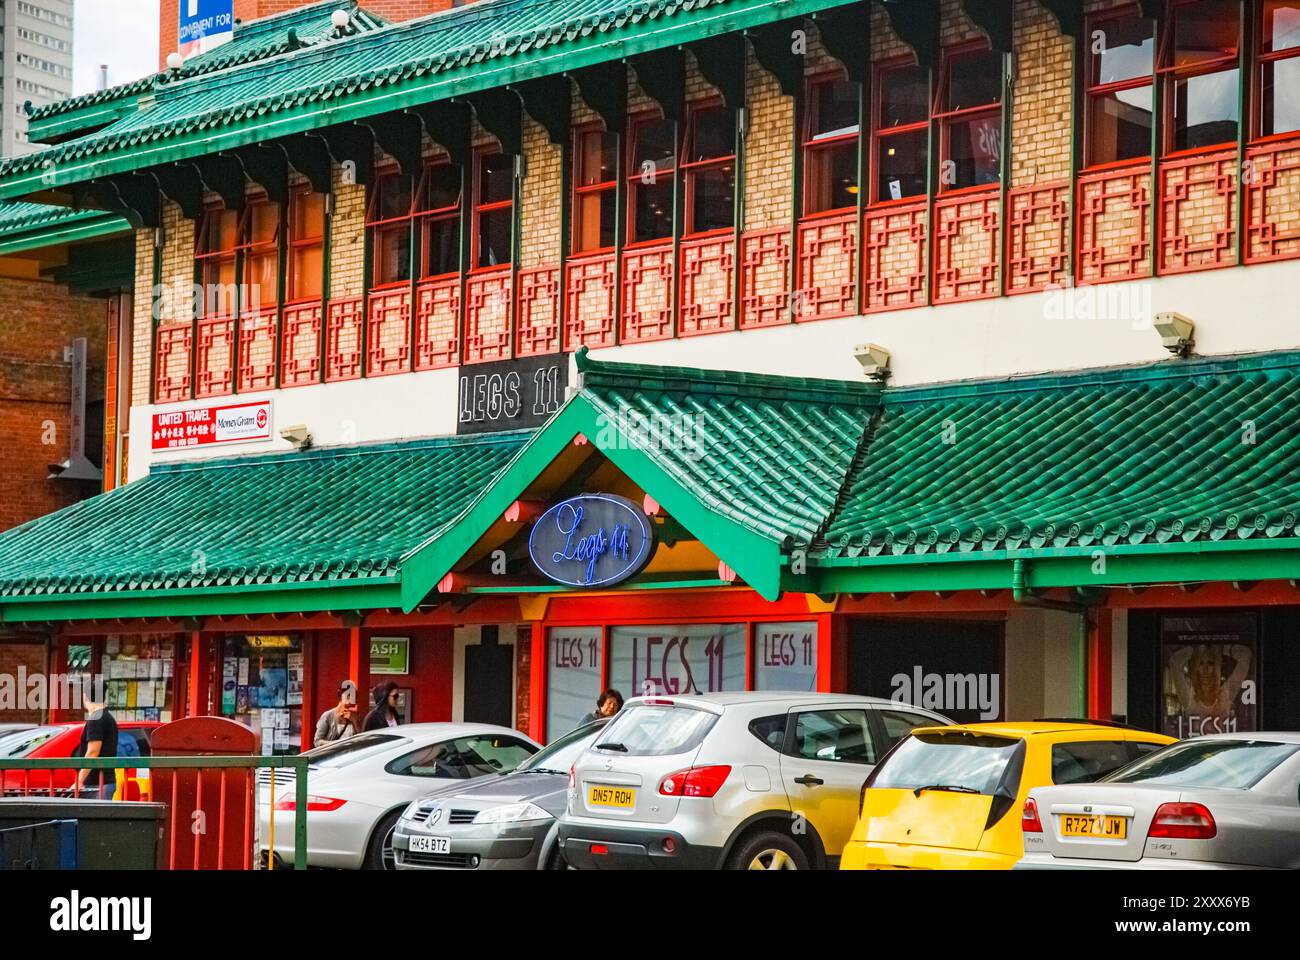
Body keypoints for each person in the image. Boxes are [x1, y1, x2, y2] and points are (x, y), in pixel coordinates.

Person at [74, 685, 119, 800]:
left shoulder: (96, 719)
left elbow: (93, 752)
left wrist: (79, 781)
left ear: (86, 698)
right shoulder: (108, 717)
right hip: (104, 781)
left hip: (96, 784)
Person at [314, 680, 360, 747]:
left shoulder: (355, 715)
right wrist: (338, 744)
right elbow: (317, 741)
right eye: (349, 695)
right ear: (341, 695)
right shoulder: (328, 716)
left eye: (355, 696)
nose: (351, 698)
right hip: (334, 755)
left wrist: (355, 722)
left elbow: (361, 740)